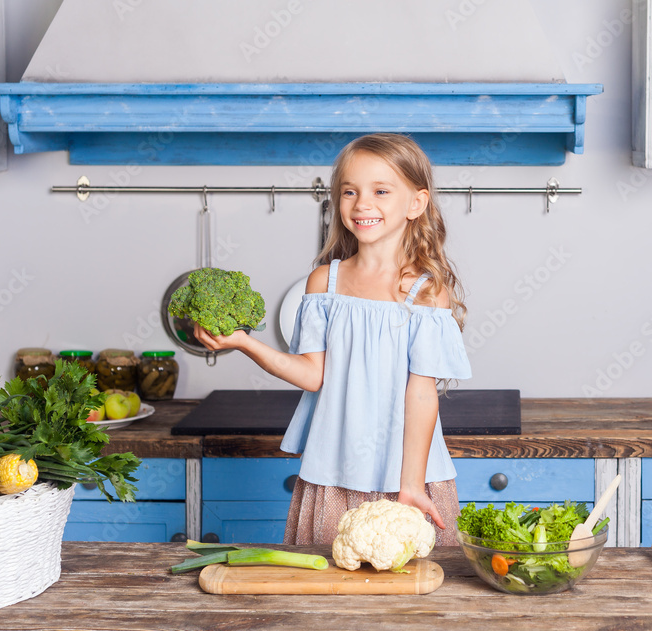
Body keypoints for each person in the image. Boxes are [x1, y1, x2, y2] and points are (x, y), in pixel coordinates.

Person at [194, 133, 471, 546]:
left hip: (408, 475)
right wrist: (244, 343)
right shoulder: (325, 282)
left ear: (416, 203)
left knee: (414, 596)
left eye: (380, 190)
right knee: (327, 591)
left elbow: (421, 393)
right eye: (349, 191)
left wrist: (410, 484)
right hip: (333, 474)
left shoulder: (425, 292)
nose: (362, 204)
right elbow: (311, 374)